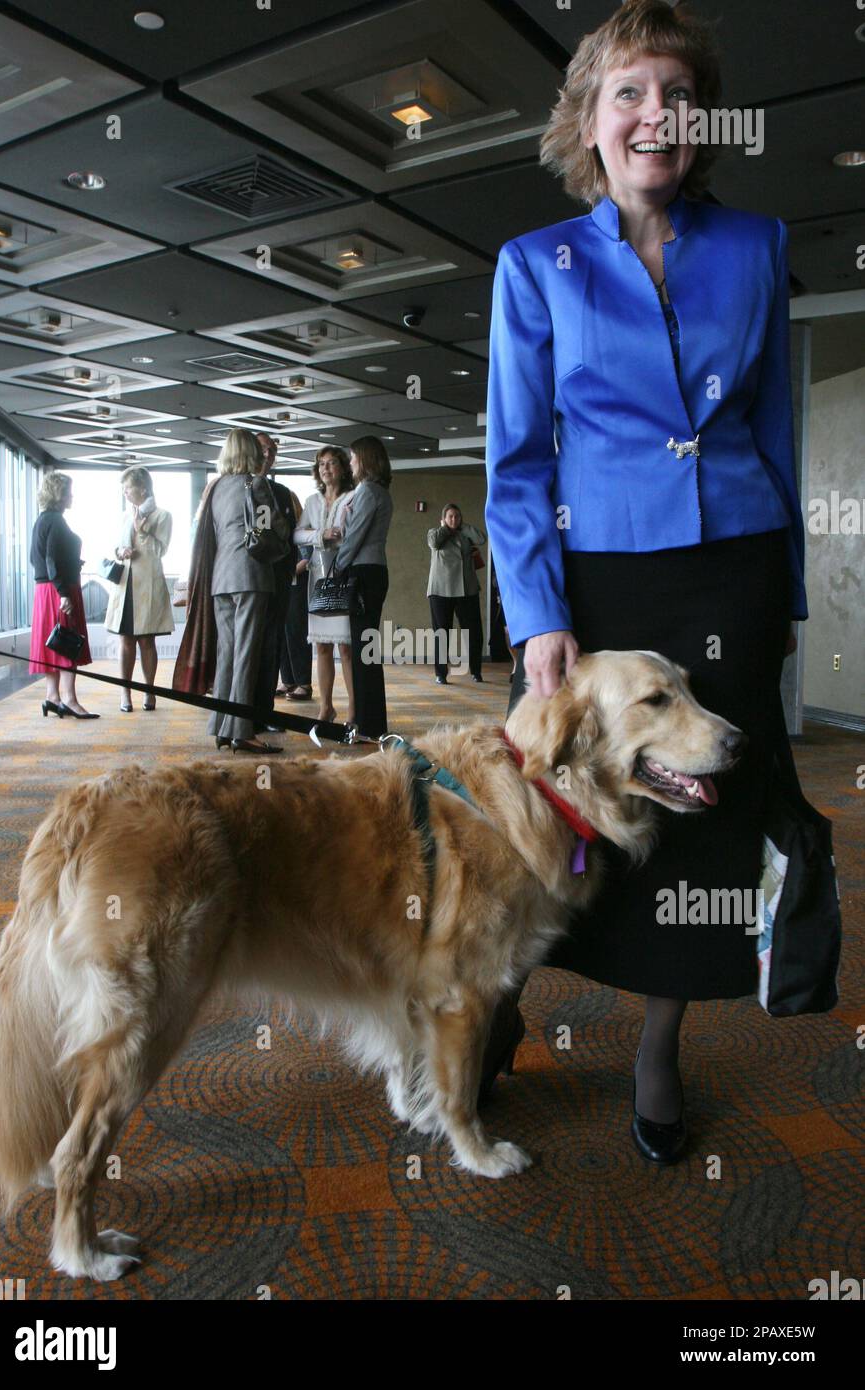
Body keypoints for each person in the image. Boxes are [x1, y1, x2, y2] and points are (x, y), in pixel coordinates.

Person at [483, 0, 808, 1163]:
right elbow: (516, 462)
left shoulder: (758, 246)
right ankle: (502, 990)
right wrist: (537, 621)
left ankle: (659, 1046)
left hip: (730, 570)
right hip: (596, 584)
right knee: (551, 809)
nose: (653, 114)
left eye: (675, 93)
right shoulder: (536, 266)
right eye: (629, 92)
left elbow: (779, 433)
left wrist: (786, 607)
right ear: (591, 118)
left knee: (706, 824)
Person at [173, 428, 285, 754]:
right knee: (246, 654)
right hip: (251, 576)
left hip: (220, 580)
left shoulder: (216, 488)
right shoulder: (257, 484)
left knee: (227, 654)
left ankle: (220, 725)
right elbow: (267, 530)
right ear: (250, 452)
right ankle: (241, 730)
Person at [334, 436, 393, 738]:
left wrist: (338, 566)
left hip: (363, 573)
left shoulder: (368, 491)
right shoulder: (377, 491)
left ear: (367, 460)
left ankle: (368, 722)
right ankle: (371, 721)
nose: (351, 463)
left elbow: (354, 537)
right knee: (366, 649)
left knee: (362, 650)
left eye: (354, 458)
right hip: (373, 570)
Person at [293, 447, 356, 723]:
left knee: (346, 647)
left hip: (344, 575)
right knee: (321, 646)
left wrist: (339, 537)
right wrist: (321, 535)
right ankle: (326, 707)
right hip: (318, 576)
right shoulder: (312, 501)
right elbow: (297, 534)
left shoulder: (353, 498)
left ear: (343, 468)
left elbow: (357, 534)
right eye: (321, 464)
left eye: (331, 463)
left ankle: (354, 708)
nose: (326, 468)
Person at [29, 470, 97, 719]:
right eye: (69, 491)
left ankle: (52, 696)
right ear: (59, 494)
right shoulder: (56, 520)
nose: (72, 495)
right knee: (67, 642)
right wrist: (63, 592)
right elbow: (50, 559)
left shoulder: (42, 519)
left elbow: (36, 559)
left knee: (55, 642)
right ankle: (69, 699)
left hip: (45, 590)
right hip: (59, 590)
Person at [105, 466, 173, 712]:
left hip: (148, 585)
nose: (125, 492)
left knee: (146, 641)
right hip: (125, 585)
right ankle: (125, 693)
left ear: (143, 488)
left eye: (128, 487)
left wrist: (142, 530)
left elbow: (160, 550)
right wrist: (120, 551)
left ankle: (149, 691)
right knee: (126, 641)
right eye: (123, 488)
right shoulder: (125, 516)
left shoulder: (163, 516)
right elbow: (115, 545)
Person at [253, 433, 303, 731]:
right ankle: (243, 713)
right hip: (251, 581)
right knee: (249, 647)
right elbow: (258, 538)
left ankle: (265, 711)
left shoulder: (283, 493)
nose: (269, 454)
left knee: (272, 646)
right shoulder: (241, 489)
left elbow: (291, 537)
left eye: (273, 449)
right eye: (264, 448)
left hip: (280, 581)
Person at [426, 503, 487, 684]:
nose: (454, 519)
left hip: (466, 590)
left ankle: (476, 670)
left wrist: (463, 526)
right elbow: (434, 543)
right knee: (442, 633)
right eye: (450, 516)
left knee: (474, 632)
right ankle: (441, 673)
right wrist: (446, 528)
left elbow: (481, 539)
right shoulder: (434, 533)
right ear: (443, 519)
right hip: (440, 591)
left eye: (457, 516)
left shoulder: (465, 535)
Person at [276, 489, 313, 701]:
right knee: (282, 633)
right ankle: (287, 680)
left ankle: (304, 683)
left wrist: (286, 573)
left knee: (297, 632)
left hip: (298, 584)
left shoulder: (302, 528)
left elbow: (306, 559)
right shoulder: (280, 528)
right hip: (283, 584)